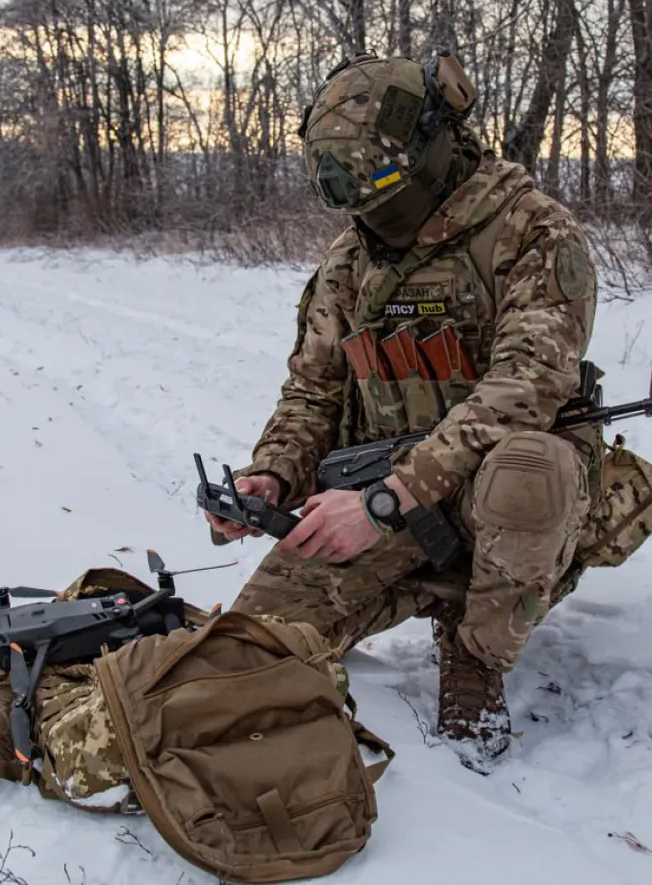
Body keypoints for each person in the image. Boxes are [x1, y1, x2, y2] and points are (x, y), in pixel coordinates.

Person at [208, 52, 605, 771]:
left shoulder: (531, 233)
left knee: (531, 464)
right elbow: (314, 392)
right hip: (383, 493)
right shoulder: (351, 261)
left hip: (492, 499)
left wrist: (392, 498)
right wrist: (272, 474)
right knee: (244, 650)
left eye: (378, 184)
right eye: (347, 193)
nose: (365, 209)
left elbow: (526, 387)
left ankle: (476, 655)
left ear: (434, 151)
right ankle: (386, 594)